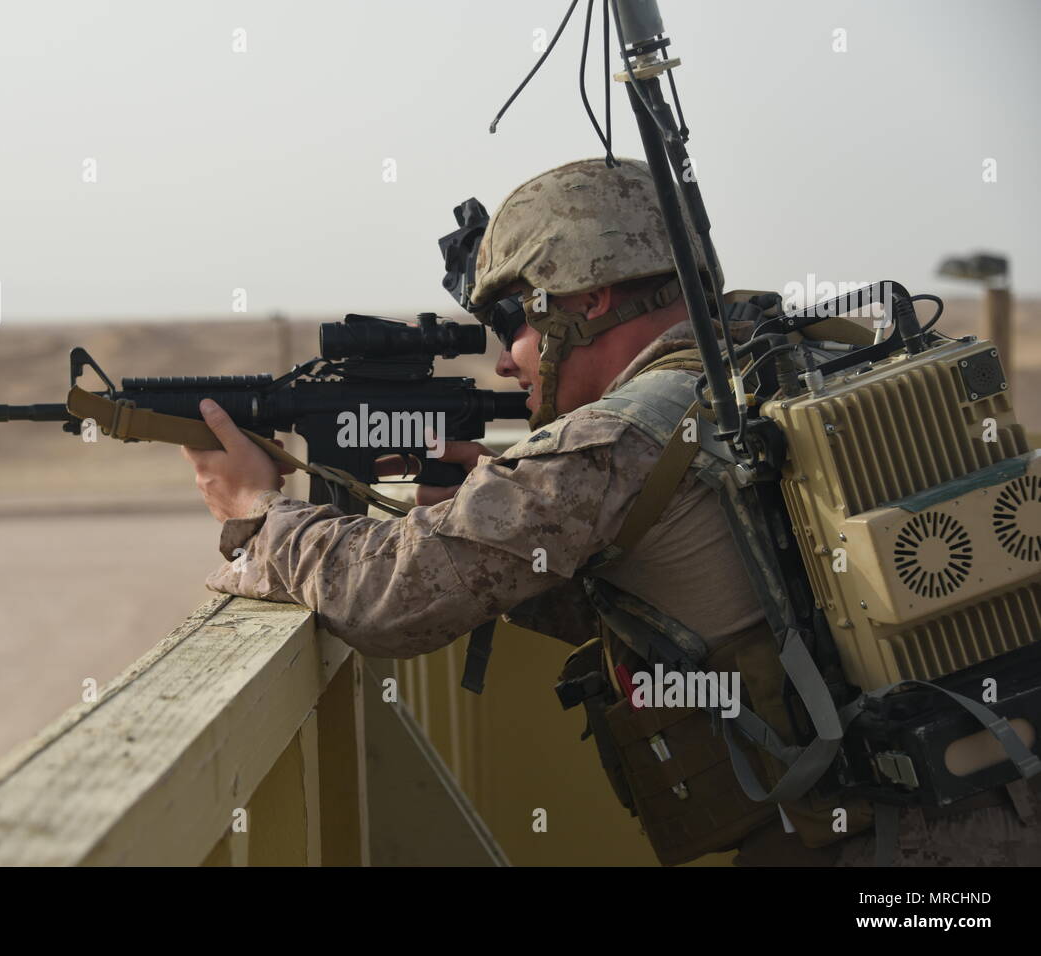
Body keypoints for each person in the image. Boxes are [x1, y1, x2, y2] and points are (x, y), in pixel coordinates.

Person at [183, 158, 1041, 866]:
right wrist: (495, 520)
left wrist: (258, 511)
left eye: (514, 322)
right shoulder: (773, 370)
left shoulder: (619, 435)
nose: (508, 361)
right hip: (989, 796)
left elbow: (386, 602)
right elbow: (720, 597)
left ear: (587, 300)